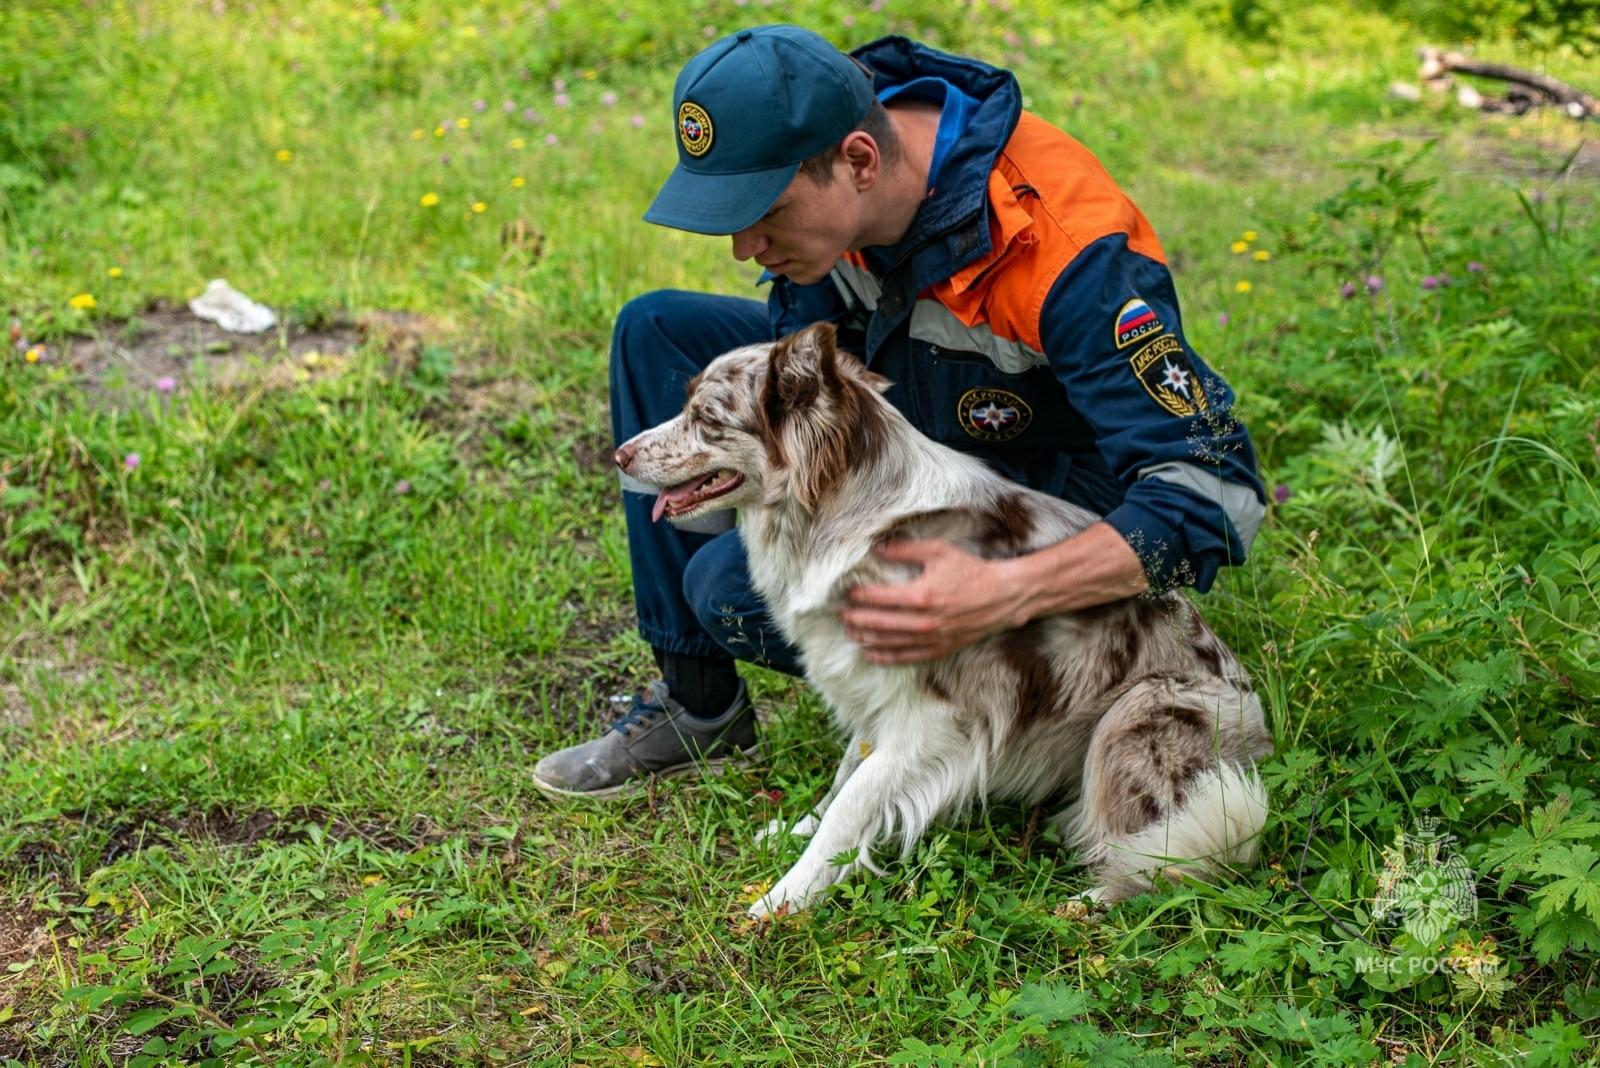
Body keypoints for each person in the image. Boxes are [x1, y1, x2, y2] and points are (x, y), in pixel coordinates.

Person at [532, 25, 1266, 799]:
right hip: (915, 437)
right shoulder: (836, 193)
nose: (746, 247)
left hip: (1035, 494)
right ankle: (698, 706)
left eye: (766, 213)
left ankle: (994, 709)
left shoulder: (1065, 250)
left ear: (858, 160)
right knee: (656, 330)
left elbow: (1217, 494)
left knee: (727, 586)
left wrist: (1004, 590)